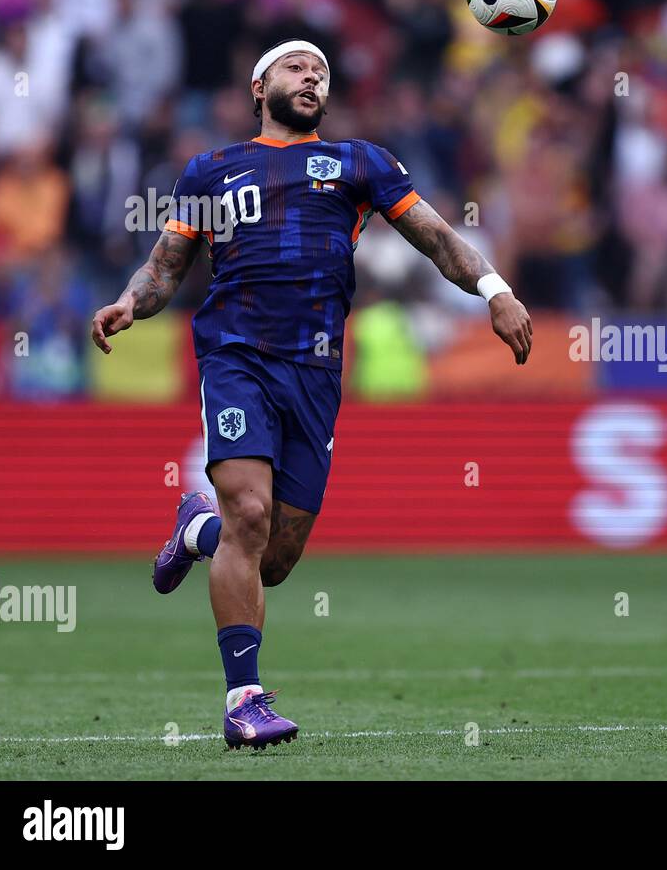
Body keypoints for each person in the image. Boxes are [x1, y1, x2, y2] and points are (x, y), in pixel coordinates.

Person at [90, 41, 532, 749]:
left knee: (272, 558)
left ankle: (193, 529)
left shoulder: (362, 162)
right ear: (259, 84)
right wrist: (127, 303)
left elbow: (439, 239)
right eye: (297, 68)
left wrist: (495, 291)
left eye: (321, 72)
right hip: (235, 357)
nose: (312, 77)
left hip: (316, 373)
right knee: (251, 509)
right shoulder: (212, 170)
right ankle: (245, 701)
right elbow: (166, 266)